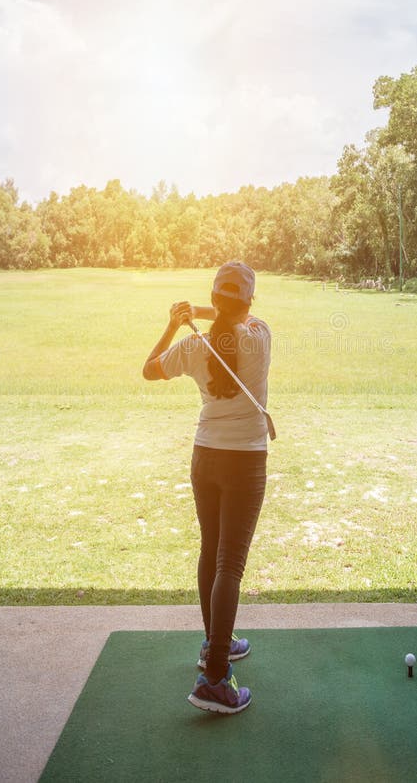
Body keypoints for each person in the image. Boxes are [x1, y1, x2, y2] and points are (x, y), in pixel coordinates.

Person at [142, 261, 271, 714]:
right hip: (246, 463)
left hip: (205, 458)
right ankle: (216, 678)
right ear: (250, 300)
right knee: (229, 565)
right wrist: (206, 308)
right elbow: (234, 317)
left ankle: (217, 644)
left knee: (210, 552)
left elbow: (148, 369)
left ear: (214, 299)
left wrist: (173, 323)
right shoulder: (260, 335)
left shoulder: (193, 345)